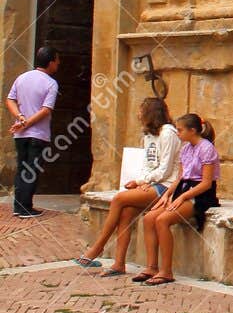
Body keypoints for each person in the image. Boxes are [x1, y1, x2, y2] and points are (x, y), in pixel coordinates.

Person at [73, 98, 180, 277]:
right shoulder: (148, 135)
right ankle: (119, 263)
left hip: (167, 186)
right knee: (126, 212)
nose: (138, 114)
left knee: (119, 199)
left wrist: (141, 182)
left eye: (141, 110)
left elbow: (166, 168)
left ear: (150, 113)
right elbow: (148, 164)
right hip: (152, 182)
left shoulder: (168, 133)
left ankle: (98, 247)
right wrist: (142, 180)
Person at [136, 113, 220, 287]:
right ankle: (151, 266)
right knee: (149, 218)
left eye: (180, 130)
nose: (178, 133)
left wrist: (183, 197)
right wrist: (167, 195)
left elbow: (205, 183)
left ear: (193, 130)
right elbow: (180, 178)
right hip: (183, 190)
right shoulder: (185, 149)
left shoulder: (207, 148)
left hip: (200, 194)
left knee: (162, 220)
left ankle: (166, 271)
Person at [6, 46, 60, 218]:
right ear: (51, 62)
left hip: (20, 134)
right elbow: (46, 110)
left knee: (22, 168)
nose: (58, 64)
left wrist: (20, 118)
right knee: (31, 171)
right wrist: (26, 123)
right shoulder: (51, 83)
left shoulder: (22, 78)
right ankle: (25, 208)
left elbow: (10, 100)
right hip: (38, 134)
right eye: (57, 60)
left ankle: (18, 205)